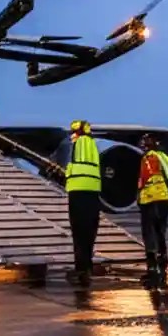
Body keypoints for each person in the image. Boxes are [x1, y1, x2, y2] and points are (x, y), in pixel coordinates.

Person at [136, 132, 168, 285]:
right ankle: (158, 266)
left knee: (152, 234)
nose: (144, 144)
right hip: (155, 199)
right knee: (155, 233)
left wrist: (139, 195)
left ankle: (155, 270)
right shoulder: (156, 158)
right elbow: (144, 179)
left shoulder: (154, 157)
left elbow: (147, 178)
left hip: (154, 199)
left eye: (146, 141)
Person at [65, 120, 100, 284]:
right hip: (93, 192)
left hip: (78, 192)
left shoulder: (78, 143)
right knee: (89, 233)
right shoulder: (93, 145)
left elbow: (74, 167)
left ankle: (80, 270)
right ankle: (88, 266)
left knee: (78, 233)